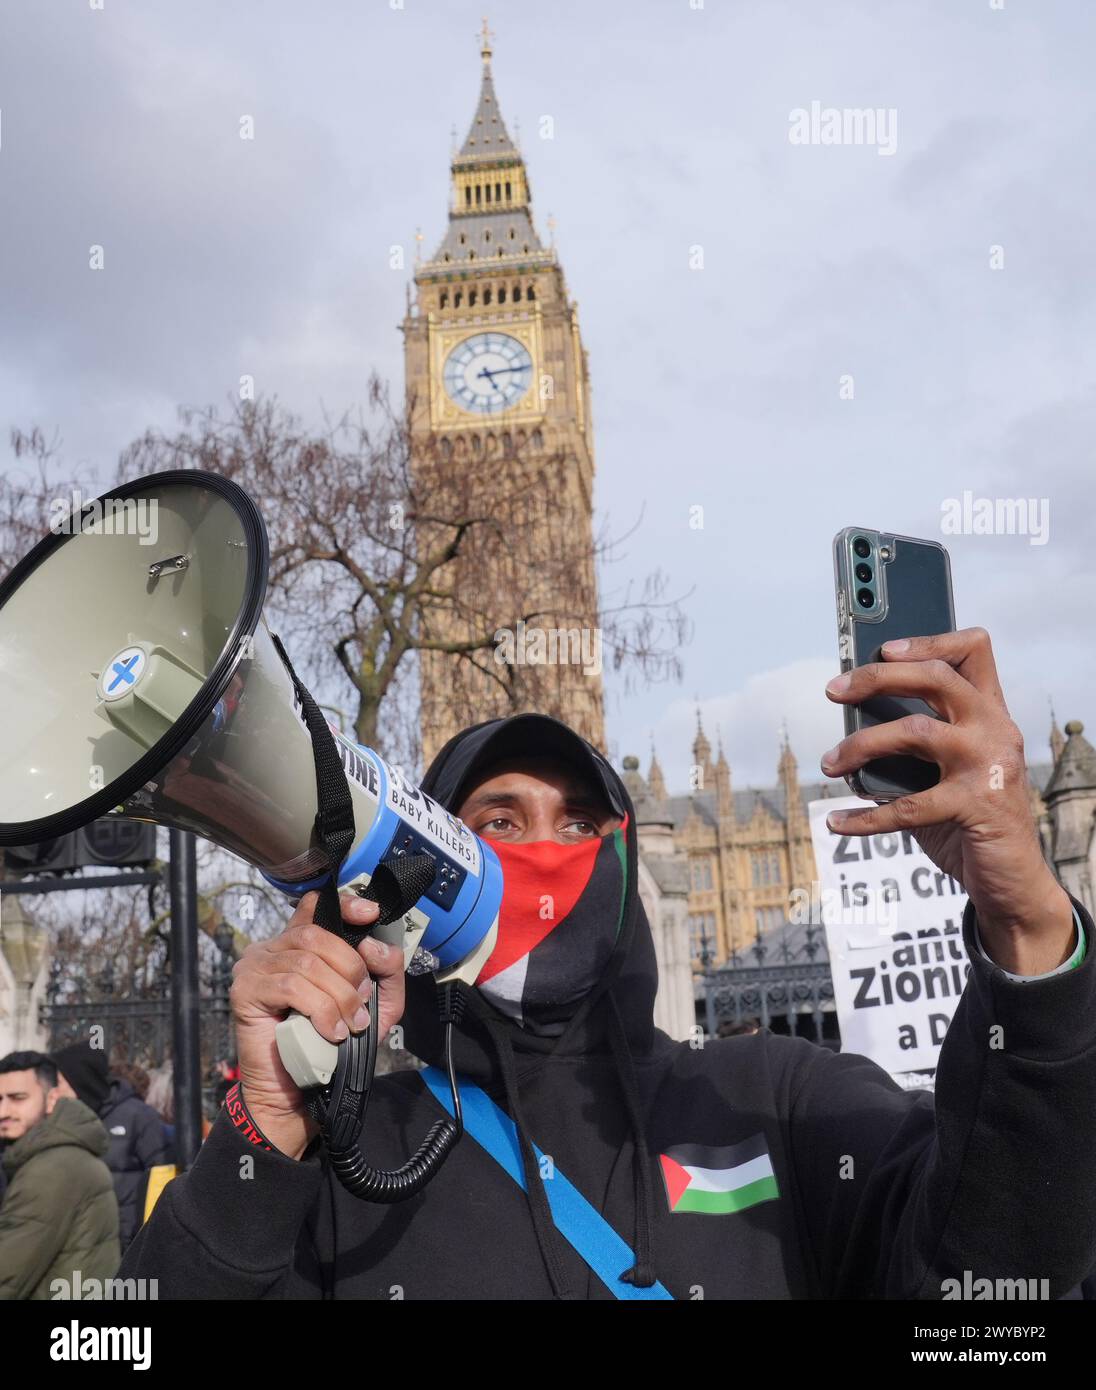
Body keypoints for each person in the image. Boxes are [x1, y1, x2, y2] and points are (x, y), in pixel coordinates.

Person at [121, 631, 1096, 1298]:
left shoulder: (773, 1096)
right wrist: (261, 1135)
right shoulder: (347, 1160)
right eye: (496, 821)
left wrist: (1030, 935)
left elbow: (990, 1279)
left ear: (627, 862)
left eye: (582, 823)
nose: (545, 851)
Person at [0, 1051, 119, 1299]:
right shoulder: (58, 1154)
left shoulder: (50, 1169)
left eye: (17, 1098)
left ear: (52, 1098)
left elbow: (7, 1275)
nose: (4, 1111)